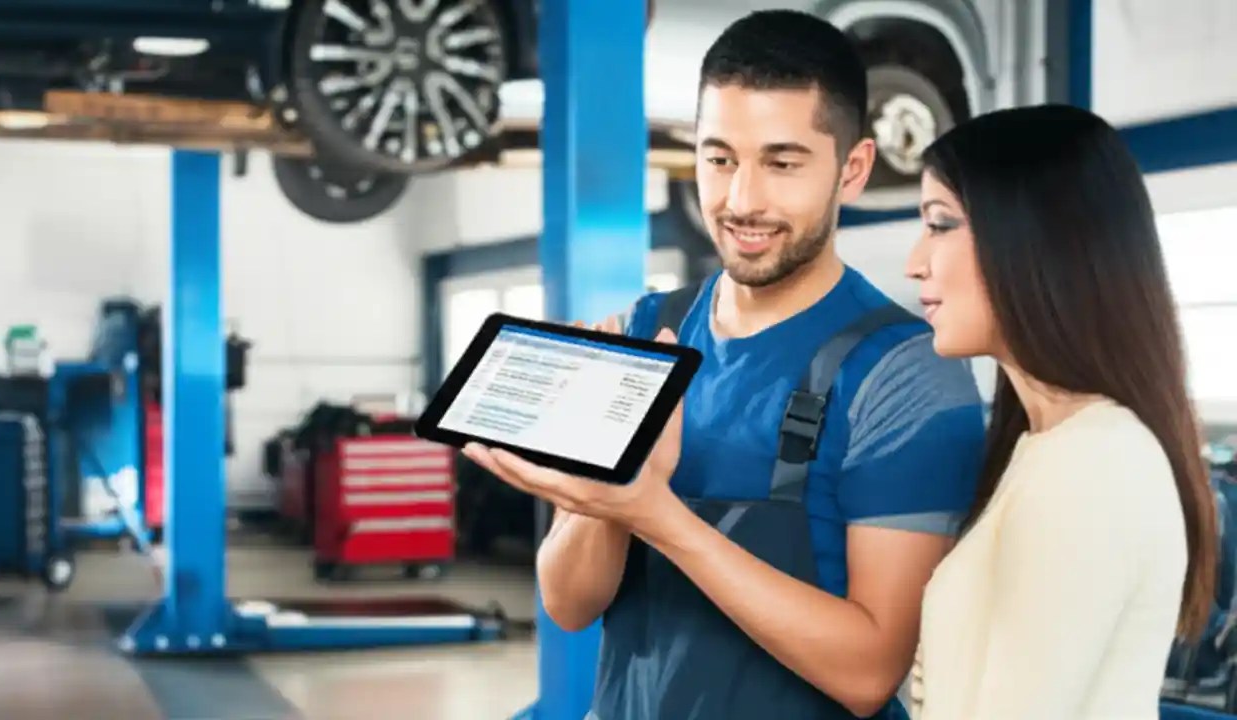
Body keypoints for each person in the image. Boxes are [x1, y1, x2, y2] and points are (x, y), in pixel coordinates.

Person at [462, 10, 986, 720]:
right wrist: (601, 502)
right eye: (719, 158)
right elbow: (570, 600)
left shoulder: (904, 374)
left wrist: (655, 515)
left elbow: (869, 671)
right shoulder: (650, 331)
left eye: (782, 162)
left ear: (852, 169)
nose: (741, 200)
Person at [902, 104, 1218, 719]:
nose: (916, 260)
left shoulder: (1094, 461)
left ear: (1033, 240)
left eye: (941, 225)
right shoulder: (1053, 446)